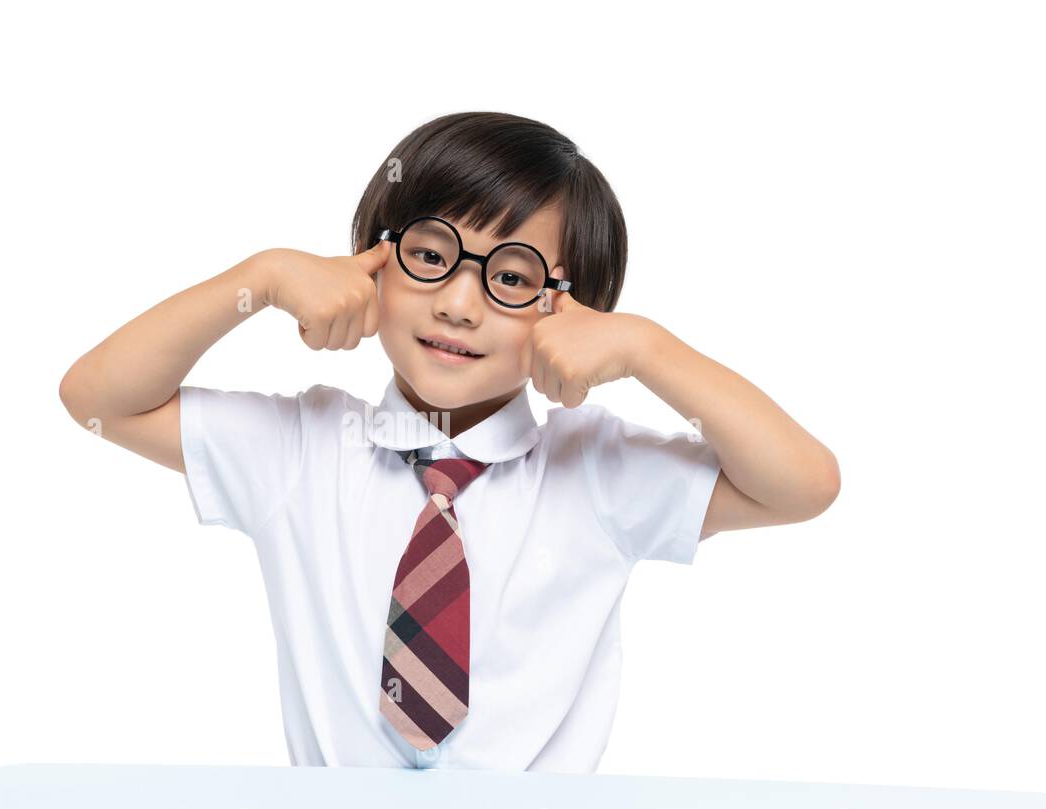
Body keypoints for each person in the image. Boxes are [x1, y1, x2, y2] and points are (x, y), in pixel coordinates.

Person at [58, 111, 840, 773]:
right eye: (431, 256)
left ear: (576, 313)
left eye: (513, 276)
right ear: (374, 263)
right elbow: (99, 400)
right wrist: (258, 280)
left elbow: (803, 482)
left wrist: (649, 351)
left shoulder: (598, 470)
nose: (459, 305)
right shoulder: (300, 450)